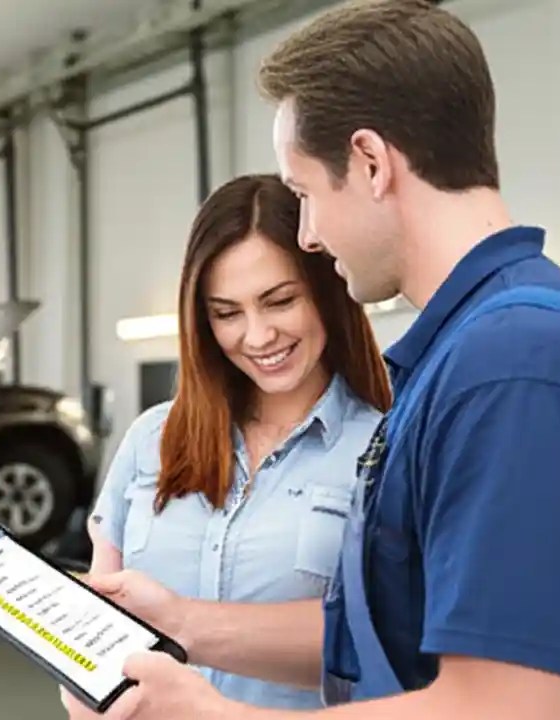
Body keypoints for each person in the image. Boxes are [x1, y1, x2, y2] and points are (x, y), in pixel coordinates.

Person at [60, 1, 560, 719]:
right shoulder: (465, 356)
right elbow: (382, 642)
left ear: (371, 162)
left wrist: (213, 716)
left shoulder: (517, 366)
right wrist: (183, 624)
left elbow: (503, 708)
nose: (310, 234)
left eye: (304, 194)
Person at [85, 173, 392, 709]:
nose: (258, 335)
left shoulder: (384, 450)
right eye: (227, 313)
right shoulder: (151, 439)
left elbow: (387, 644)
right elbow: (91, 639)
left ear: (326, 291)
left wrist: (185, 623)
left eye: (280, 301)